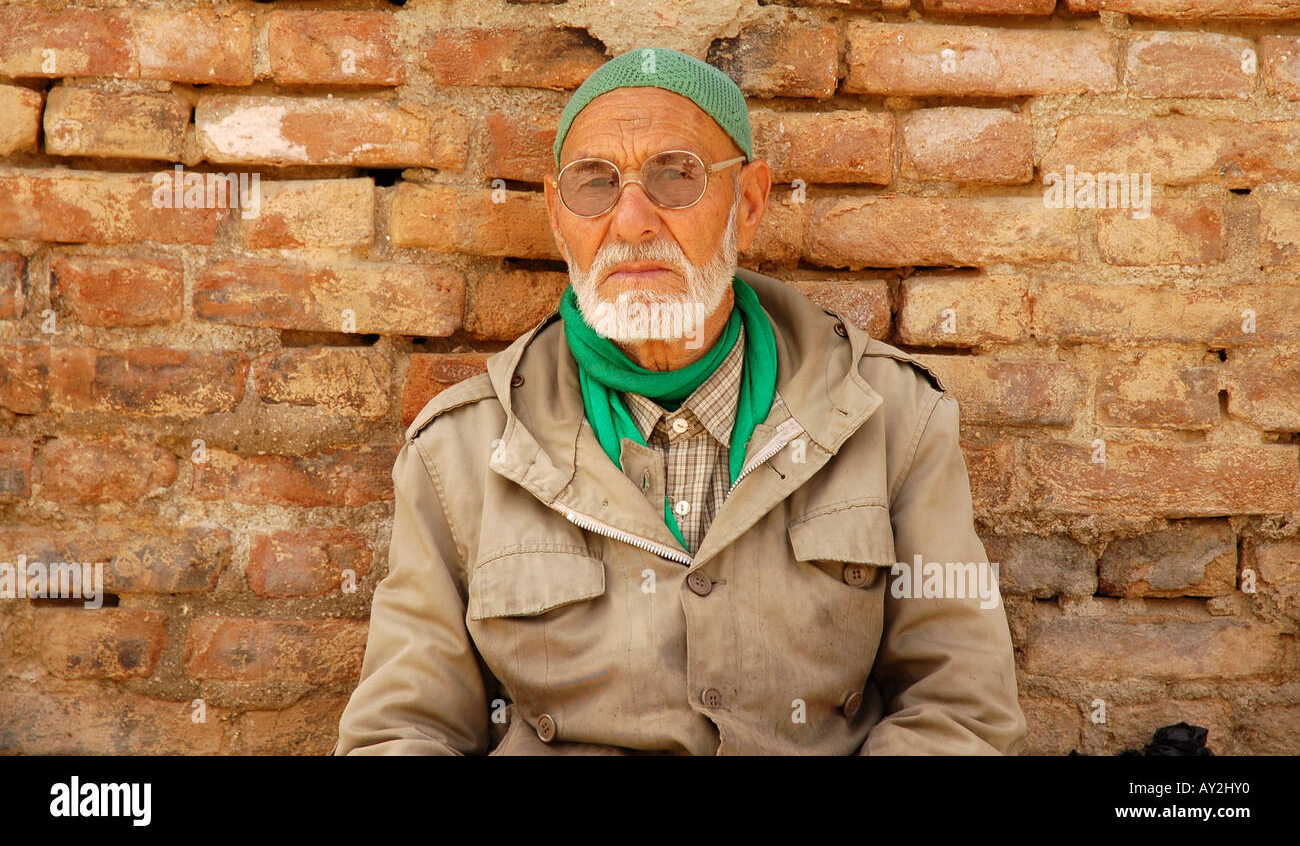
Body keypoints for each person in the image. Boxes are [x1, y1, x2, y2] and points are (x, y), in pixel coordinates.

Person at [333, 47, 1026, 755]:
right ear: (557, 214)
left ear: (748, 203)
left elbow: (957, 710)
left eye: (675, 175)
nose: (632, 219)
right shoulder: (460, 453)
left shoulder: (892, 419)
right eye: (595, 184)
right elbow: (404, 729)